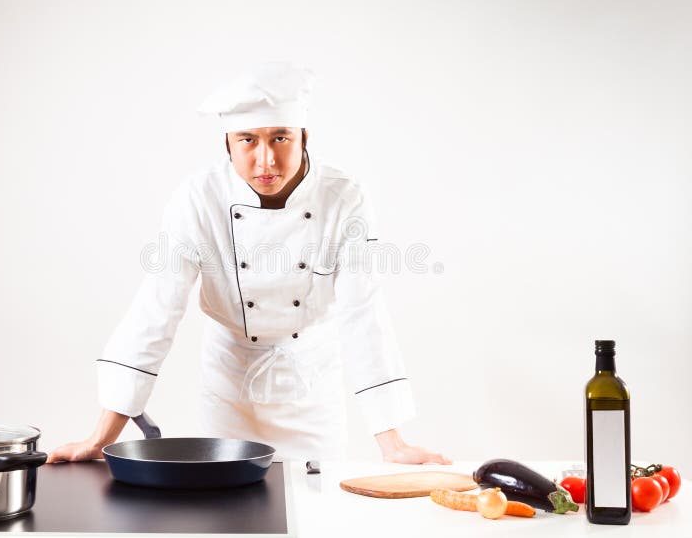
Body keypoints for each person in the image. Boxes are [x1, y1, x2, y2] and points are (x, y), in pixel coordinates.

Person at [47, 62, 450, 465]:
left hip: (312, 387)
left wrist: (392, 442)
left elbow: (363, 313)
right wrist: (102, 437)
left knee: (317, 511)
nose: (266, 161)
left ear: (304, 137)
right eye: (248, 141)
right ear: (227, 143)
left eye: (280, 138)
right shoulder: (198, 199)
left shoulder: (343, 198)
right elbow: (156, 309)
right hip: (230, 386)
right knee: (230, 512)